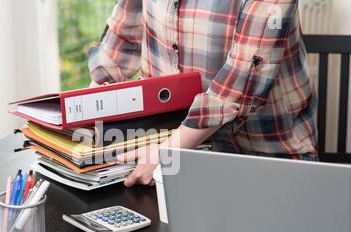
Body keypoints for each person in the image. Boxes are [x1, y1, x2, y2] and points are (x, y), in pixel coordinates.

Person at [88, 0, 317, 187]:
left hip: (264, 157)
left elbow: (243, 77)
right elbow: (122, 39)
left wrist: (167, 152)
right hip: (167, 149)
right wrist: (86, 111)